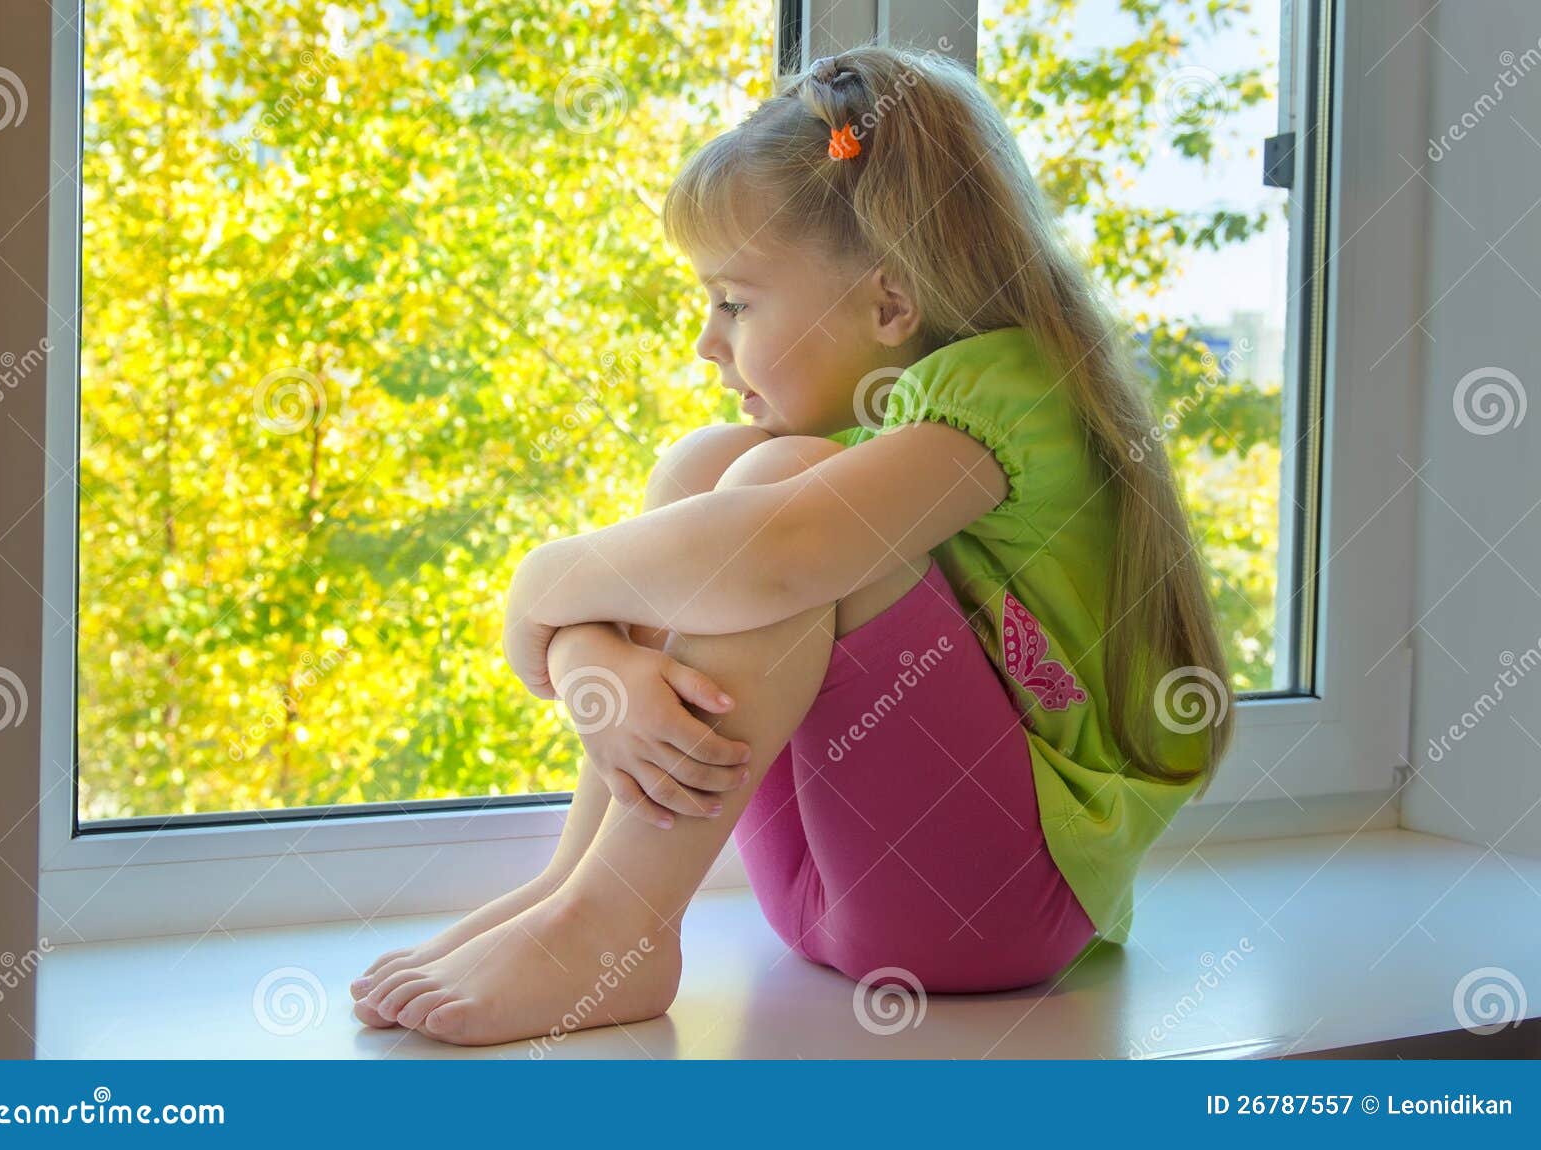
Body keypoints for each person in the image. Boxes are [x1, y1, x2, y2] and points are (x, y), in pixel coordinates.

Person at [350, 43, 1234, 1047]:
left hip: (998, 905)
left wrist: (541, 584)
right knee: (708, 468)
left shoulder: (1010, 388)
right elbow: (725, 561)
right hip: (835, 885)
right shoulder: (855, 437)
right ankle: (579, 889)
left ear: (890, 305)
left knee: (767, 498)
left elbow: (773, 556)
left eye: (733, 301)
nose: (705, 341)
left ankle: (611, 926)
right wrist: (594, 657)